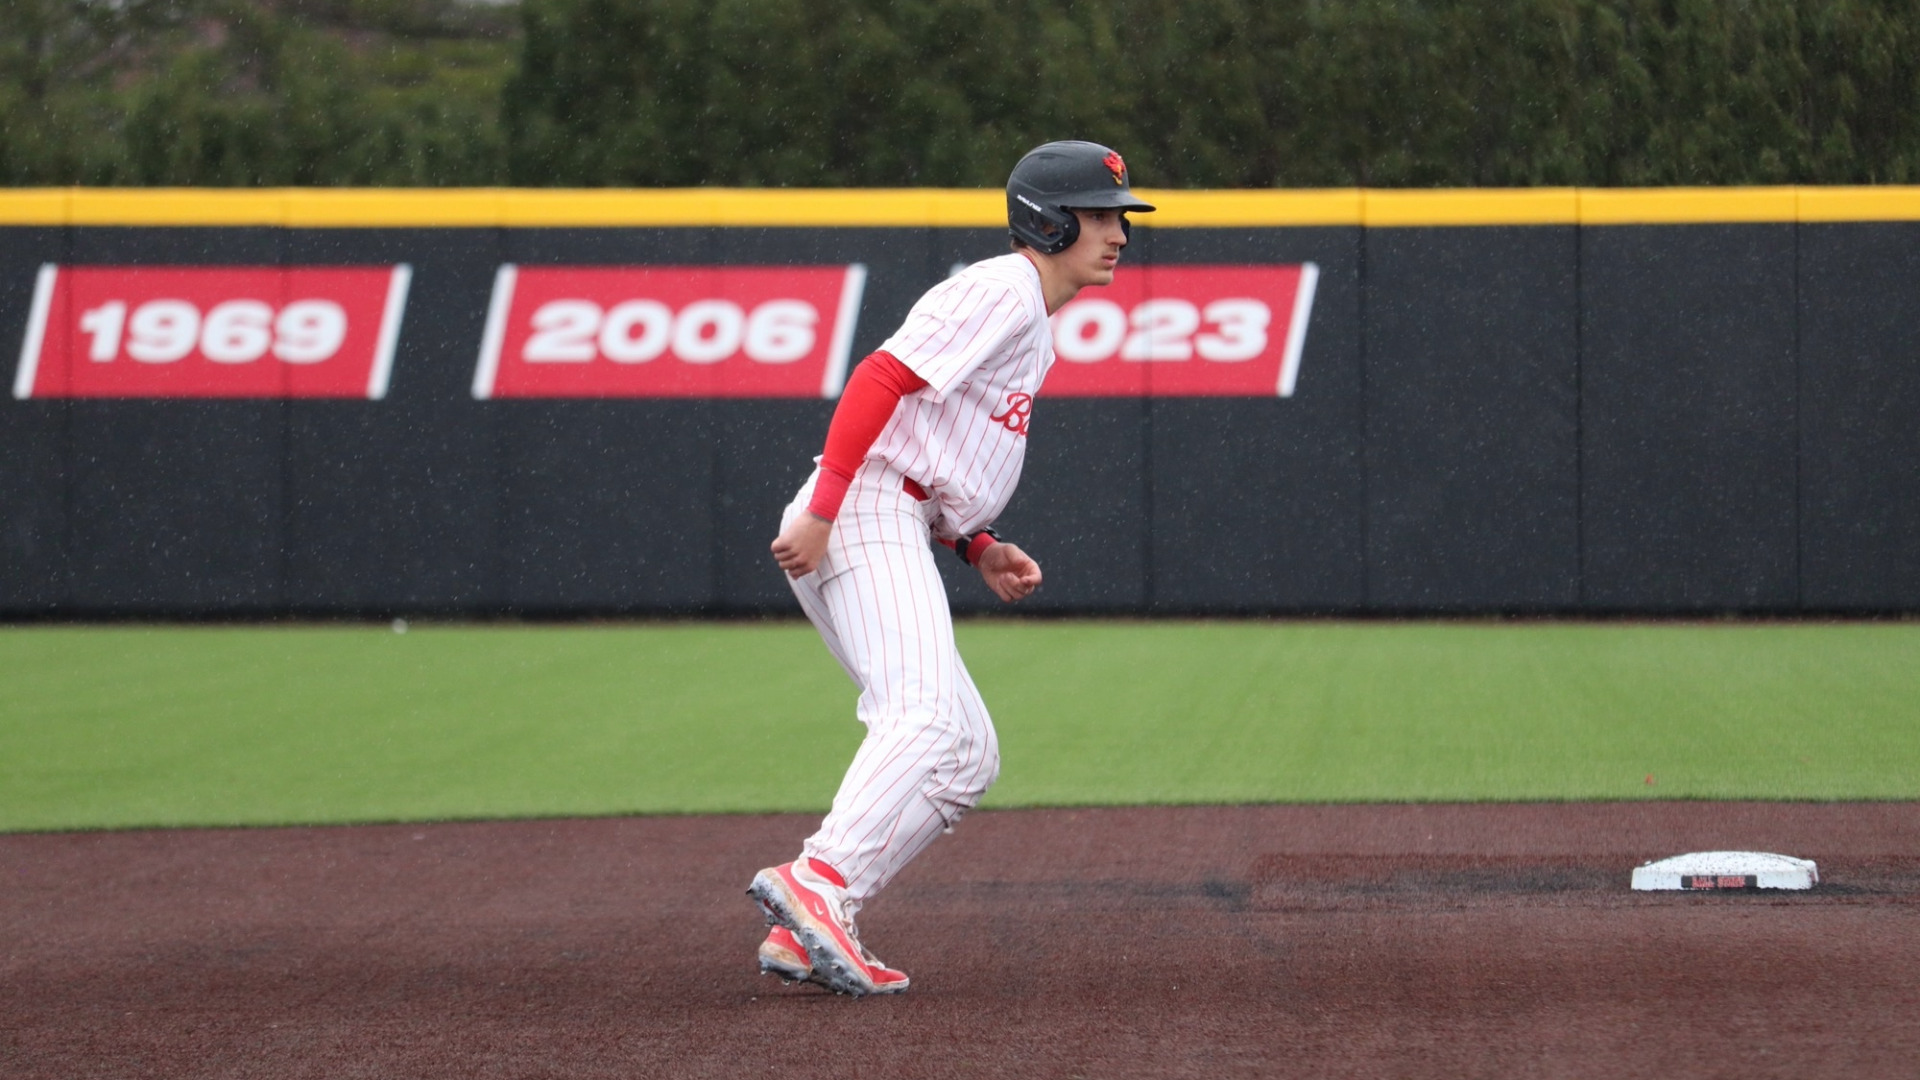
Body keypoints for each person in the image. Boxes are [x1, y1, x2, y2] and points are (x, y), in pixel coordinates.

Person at [745, 140, 1155, 997]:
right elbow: (881, 376)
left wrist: (977, 546)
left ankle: (816, 922)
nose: (1118, 231)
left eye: (1120, 215)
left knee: (967, 752)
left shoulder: (1032, 325)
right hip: (859, 506)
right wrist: (825, 511)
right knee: (926, 715)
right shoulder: (1001, 288)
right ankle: (817, 882)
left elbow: (930, 452)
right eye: (1101, 214)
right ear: (1048, 220)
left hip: (889, 508)